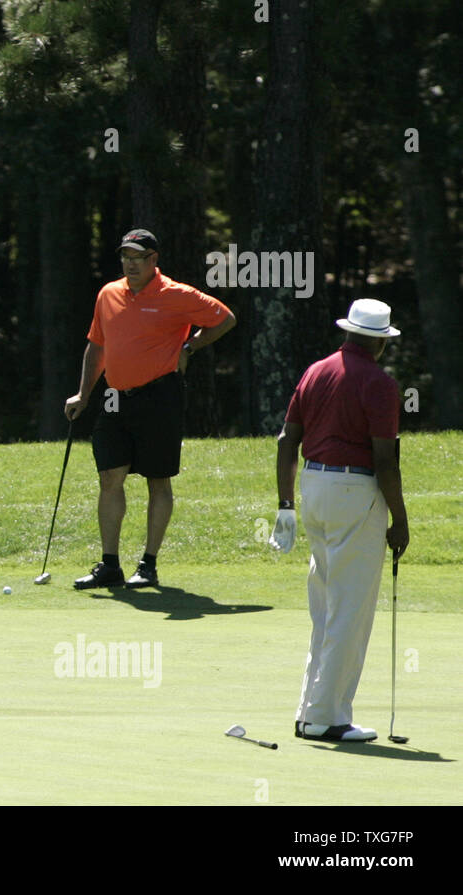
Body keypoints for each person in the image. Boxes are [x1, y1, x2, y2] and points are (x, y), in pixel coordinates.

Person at [64, 229, 236, 589]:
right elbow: (97, 347)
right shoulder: (108, 293)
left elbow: (224, 318)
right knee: (110, 477)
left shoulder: (177, 294)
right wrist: (83, 395)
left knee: (158, 480)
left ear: (153, 260)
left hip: (161, 395)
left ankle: (149, 563)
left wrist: (189, 348)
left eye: (137, 257)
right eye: (125, 256)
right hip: (114, 396)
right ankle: (110, 564)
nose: (130, 263)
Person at [270, 298, 408, 742]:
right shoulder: (380, 384)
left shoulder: (316, 371)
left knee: (327, 606)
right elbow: (385, 460)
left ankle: (310, 708)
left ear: (349, 333)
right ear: (379, 342)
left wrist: (285, 504)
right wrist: (400, 521)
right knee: (350, 609)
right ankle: (326, 717)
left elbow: (287, 441)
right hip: (355, 491)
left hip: (313, 488)